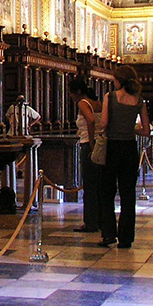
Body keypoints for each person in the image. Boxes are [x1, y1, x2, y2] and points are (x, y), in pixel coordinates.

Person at [97, 65, 151, 249]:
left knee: (107, 192)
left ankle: (109, 234)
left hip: (112, 148)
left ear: (118, 80)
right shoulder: (139, 101)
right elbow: (146, 130)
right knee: (128, 195)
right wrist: (130, 128)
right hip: (130, 149)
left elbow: (104, 124)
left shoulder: (110, 97)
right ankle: (126, 238)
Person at [69, 77, 102, 233]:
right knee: (98, 185)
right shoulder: (98, 103)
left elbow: (90, 120)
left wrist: (90, 143)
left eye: (71, 92)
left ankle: (90, 223)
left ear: (78, 91)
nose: (70, 95)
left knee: (89, 185)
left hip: (88, 145)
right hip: (101, 144)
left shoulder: (82, 103)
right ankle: (101, 220)